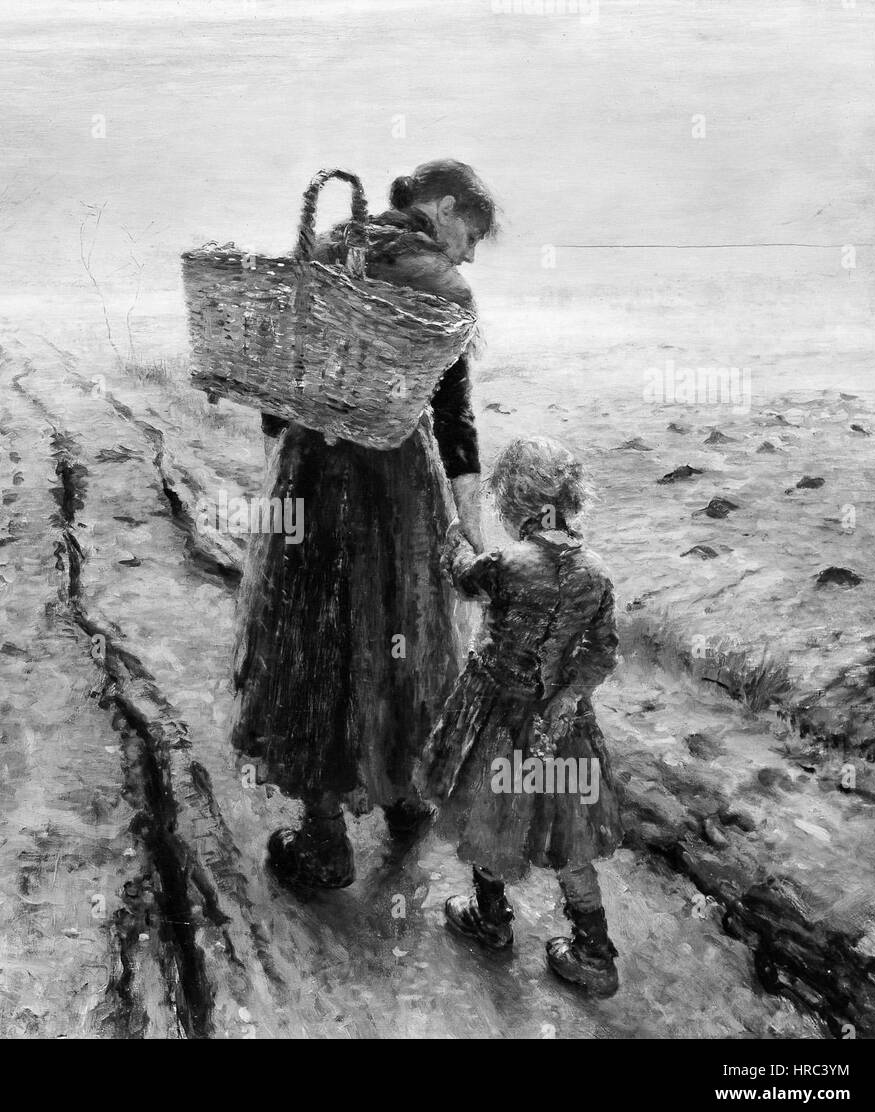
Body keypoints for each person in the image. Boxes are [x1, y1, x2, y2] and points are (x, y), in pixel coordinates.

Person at [231, 159, 498, 889]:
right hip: (398, 481)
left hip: (315, 472)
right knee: (403, 626)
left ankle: (324, 834)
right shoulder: (444, 287)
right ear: (442, 209)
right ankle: (405, 789)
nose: (469, 252)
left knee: (315, 632)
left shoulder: (319, 257)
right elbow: (453, 421)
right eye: (470, 233)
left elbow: (278, 381)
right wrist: (470, 529)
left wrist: (279, 467)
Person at [416, 436, 624, 997]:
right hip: (564, 727)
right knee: (569, 832)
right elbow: (603, 651)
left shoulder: (506, 564)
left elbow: (462, 576)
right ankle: (594, 951)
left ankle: (491, 919)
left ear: (516, 503)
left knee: (491, 813)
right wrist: (566, 697)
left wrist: (455, 535)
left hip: (499, 716)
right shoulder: (596, 571)